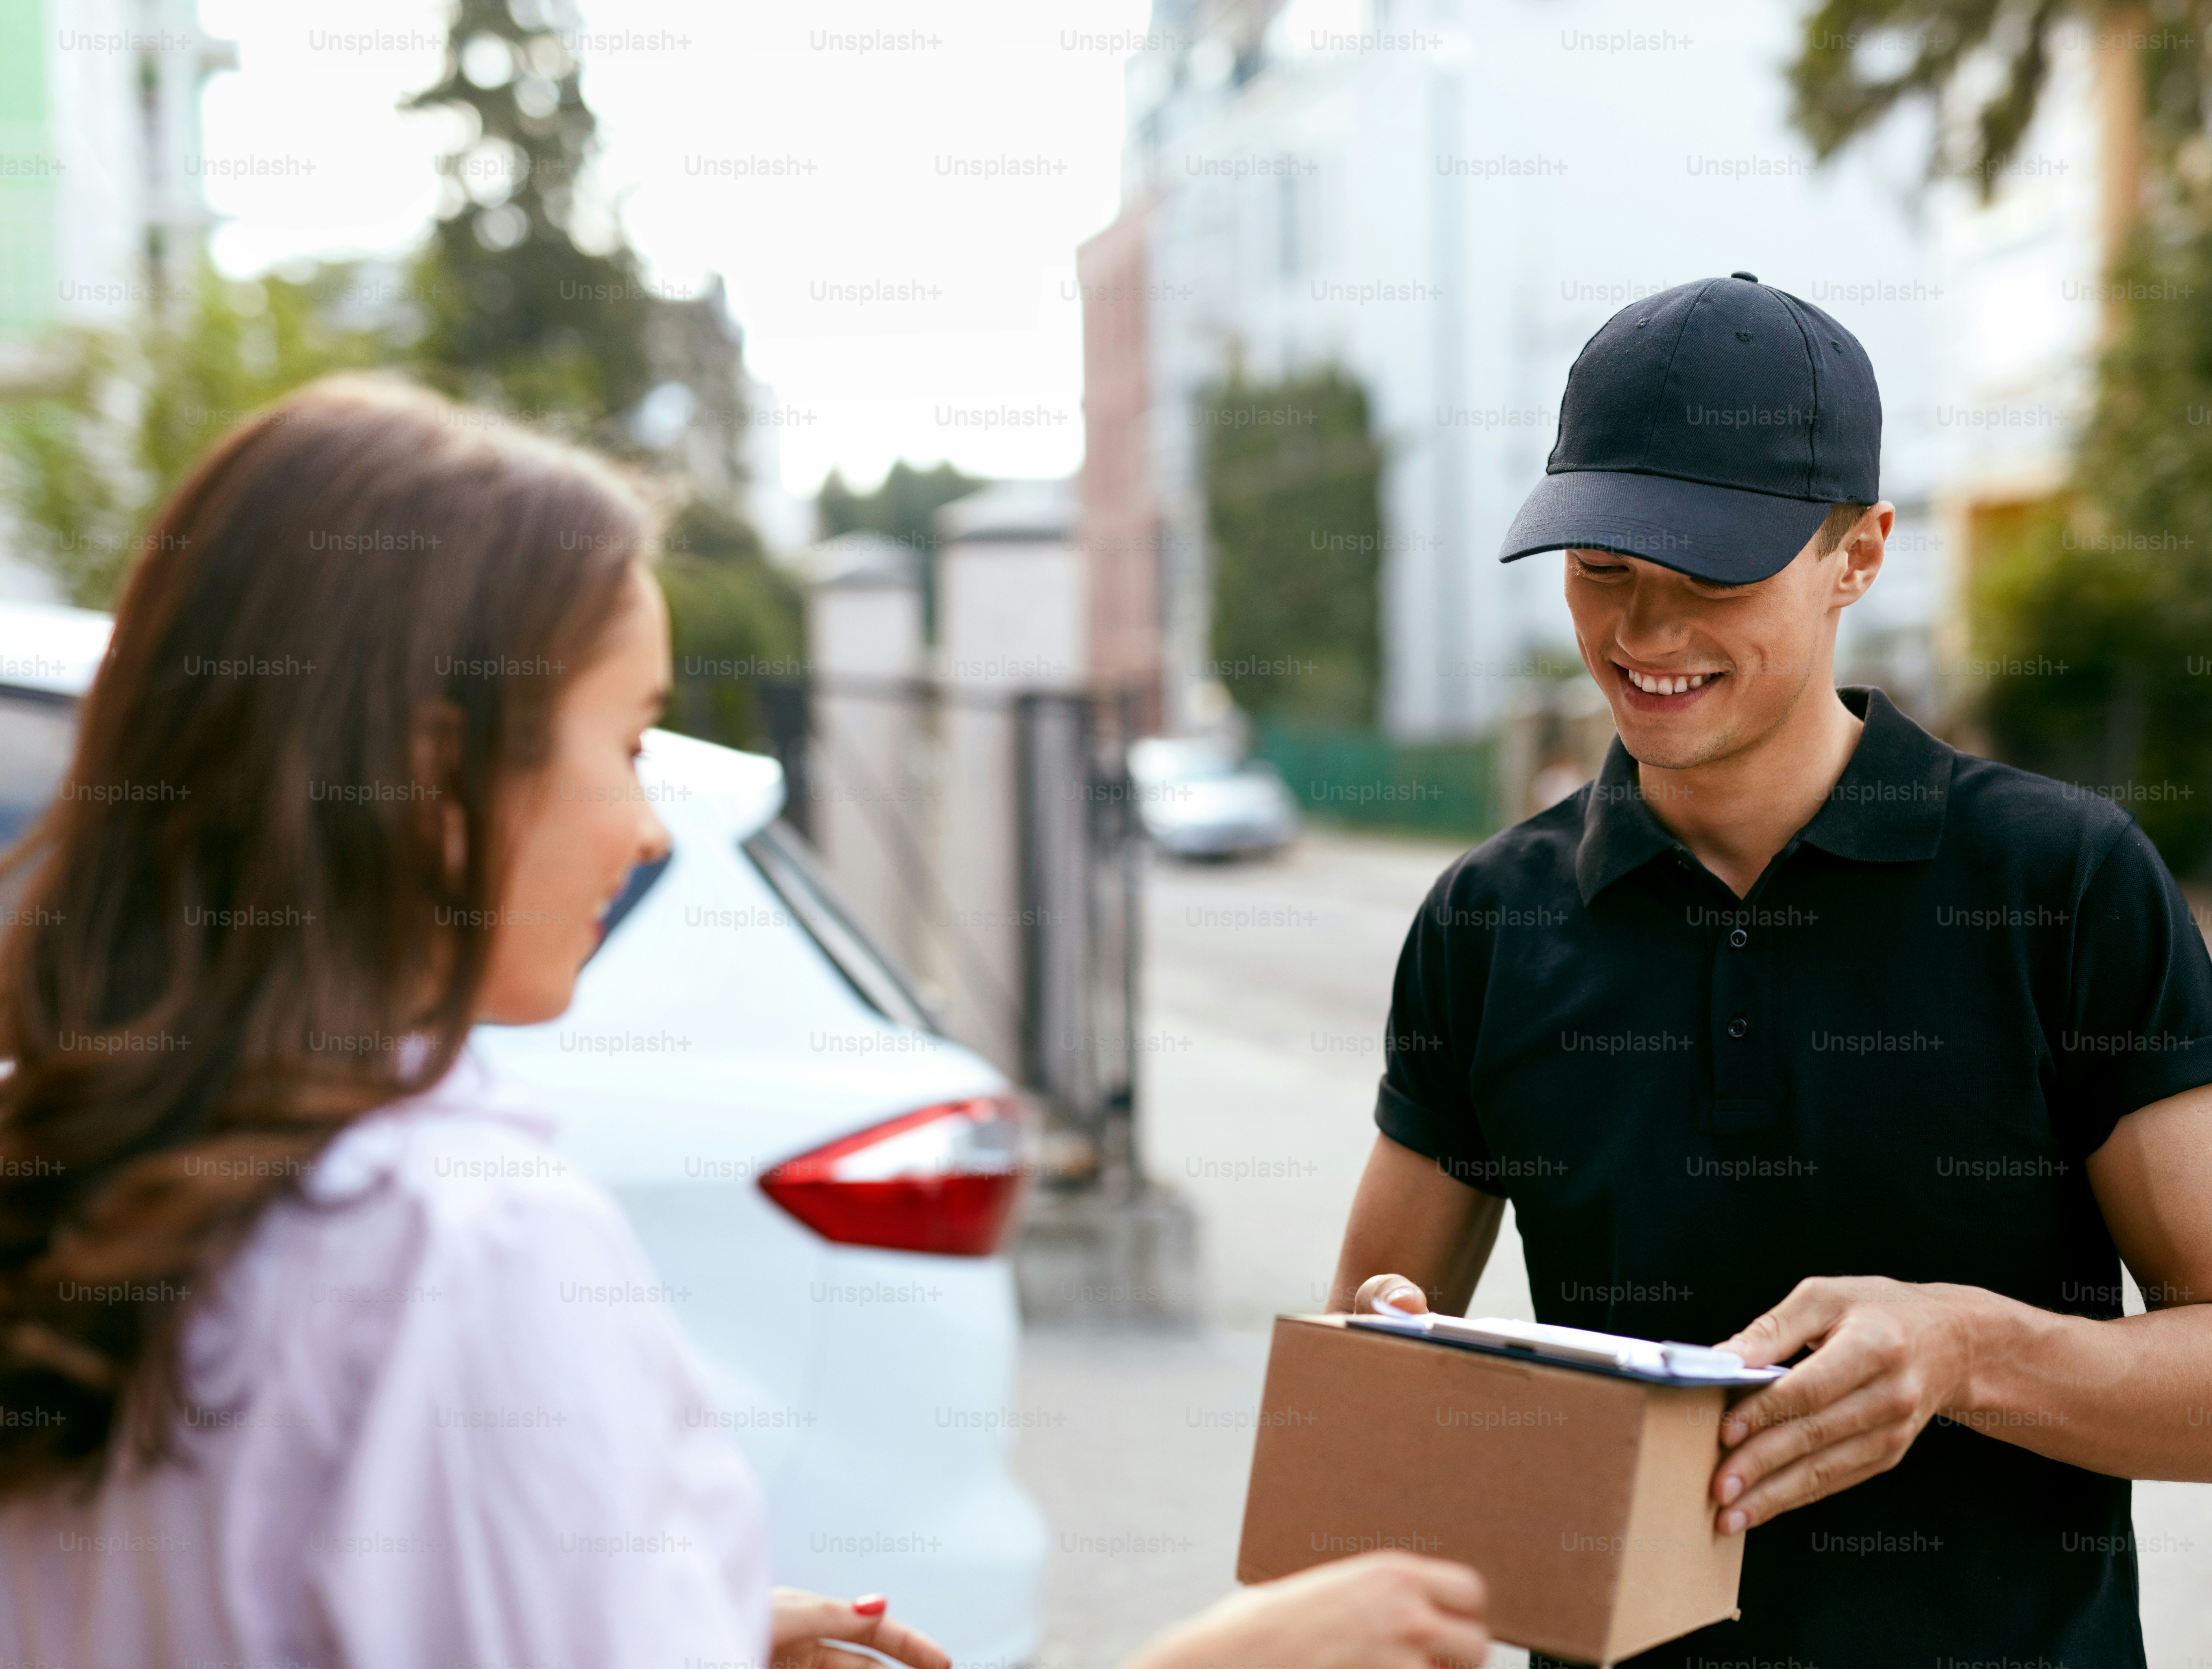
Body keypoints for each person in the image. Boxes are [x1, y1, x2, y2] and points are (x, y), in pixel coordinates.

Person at [0, 376, 1490, 1669]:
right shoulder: (451, 1245)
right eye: (627, 742)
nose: (649, 830)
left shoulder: (80, 1160)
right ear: (439, 779)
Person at [1330, 274, 2212, 1668]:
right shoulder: (1482, 923)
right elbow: (1366, 1391)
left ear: (1859, 554)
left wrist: (1963, 1352)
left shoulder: (2061, 883)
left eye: (1711, 571)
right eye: (1601, 566)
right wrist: (1412, 1400)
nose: (1643, 633)